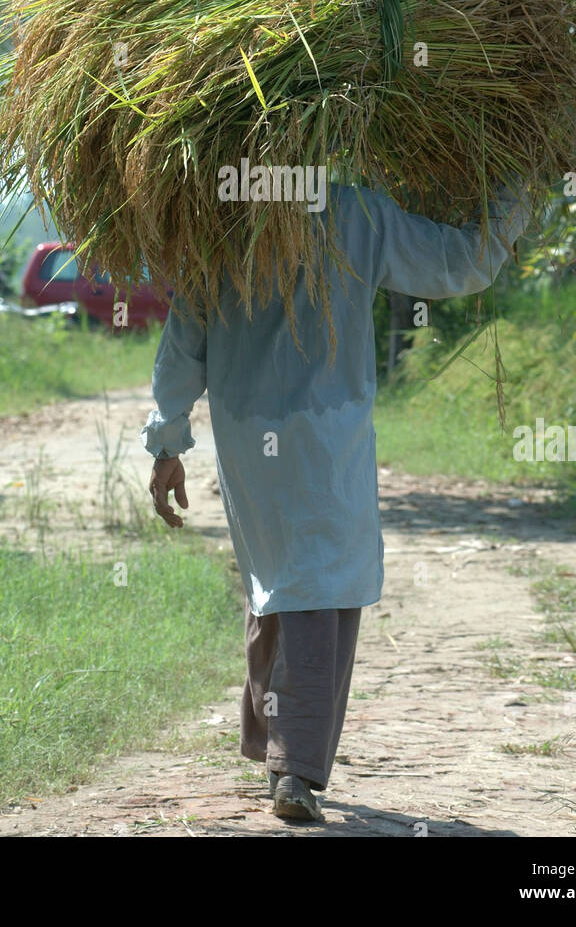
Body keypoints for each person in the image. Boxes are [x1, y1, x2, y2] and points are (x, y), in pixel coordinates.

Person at [142, 179, 530, 822]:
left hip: (245, 433)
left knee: (276, 580)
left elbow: (185, 339)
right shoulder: (353, 211)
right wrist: (518, 193)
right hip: (326, 434)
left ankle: (271, 743)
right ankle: (294, 767)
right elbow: (458, 263)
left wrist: (168, 442)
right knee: (319, 589)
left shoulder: (221, 217)